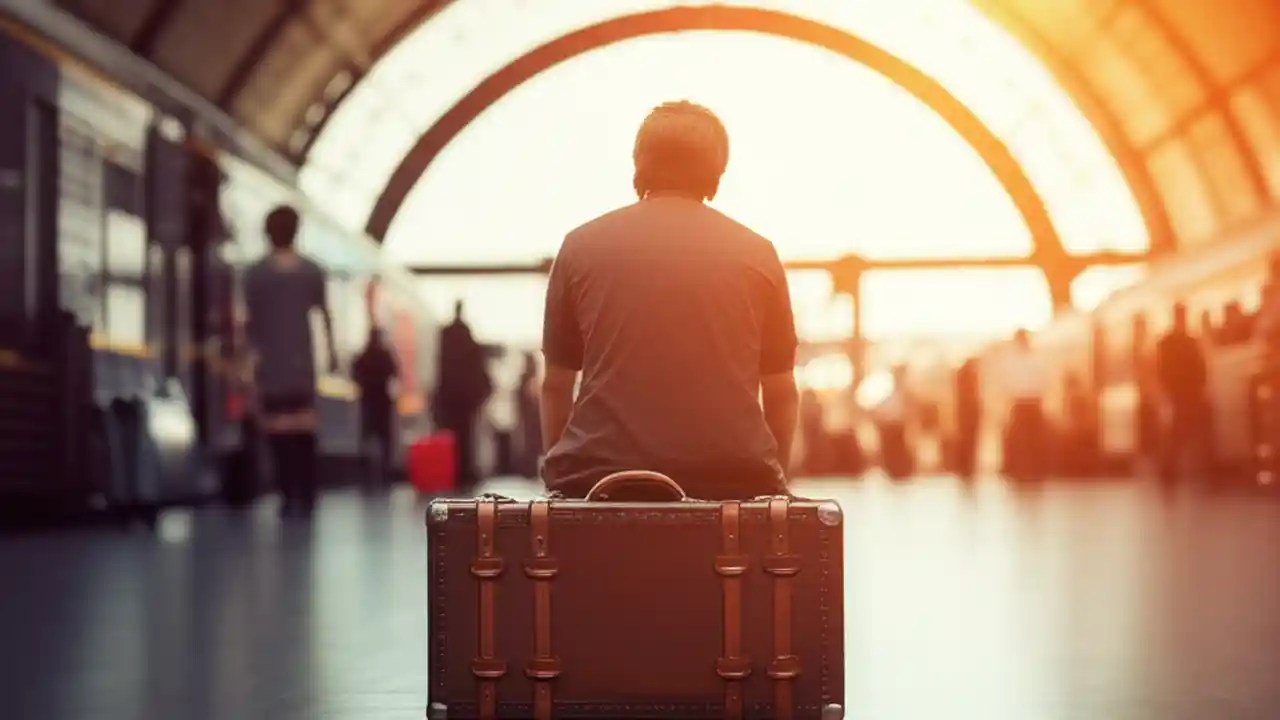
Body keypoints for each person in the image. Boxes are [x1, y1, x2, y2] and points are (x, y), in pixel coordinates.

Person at [539, 100, 799, 500]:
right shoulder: (758, 253)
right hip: (734, 478)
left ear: (639, 163)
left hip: (596, 478)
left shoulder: (580, 247)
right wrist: (771, 478)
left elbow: (557, 385)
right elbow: (780, 389)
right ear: (717, 171)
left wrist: (561, 479)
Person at [243, 205, 338, 518]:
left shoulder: (256, 274)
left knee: (278, 431)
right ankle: (307, 493)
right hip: (301, 363)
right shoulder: (311, 271)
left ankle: (287, 494)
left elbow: (250, 323)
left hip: (270, 364)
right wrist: (333, 355)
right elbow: (324, 315)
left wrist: (248, 361)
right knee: (304, 429)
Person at [434, 301, 493, 487]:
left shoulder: (446, 337)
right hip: (466, 398)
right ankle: (465, 471)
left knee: (451, 436)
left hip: (450, 397)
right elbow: (478, 366)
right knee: (467, 436)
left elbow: (441, 368)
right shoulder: (468, 339)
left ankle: (453, 471)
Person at [1155, 303, 1208, 481]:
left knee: (1176, 431)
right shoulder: (1186, 341)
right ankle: (1172, 468)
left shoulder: (1167, 342)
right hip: (1180, 392)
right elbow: (1200, 367)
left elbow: (1160, 367)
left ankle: (1172, 468)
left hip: (1180, 391)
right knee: (1178, 431)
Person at [352, 327, 399, 488]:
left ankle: (366, 471)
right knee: (385, 436)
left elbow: (355, 373)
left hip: (368, 399)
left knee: (367, 435)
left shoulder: (363, 355)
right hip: (382, 399)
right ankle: (385, 471)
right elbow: (395, 372)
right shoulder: (384, 354)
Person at [1001, 329, 1049, 480]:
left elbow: (1042, 379)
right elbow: (1009, 383)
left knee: (1034, 438)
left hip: (1033, 400)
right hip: (1020, 401)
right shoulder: (1012, 360)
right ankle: (1021, 470)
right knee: (1021, 439)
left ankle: (1035, 470)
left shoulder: (1036, 358)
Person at [953, 357, 981, 479]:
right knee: (966, 441)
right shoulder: (963, 375)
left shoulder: (970, 374)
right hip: (966, 413)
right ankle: (965, 467)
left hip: (969, 412)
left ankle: (968, 467)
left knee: (969, 441)